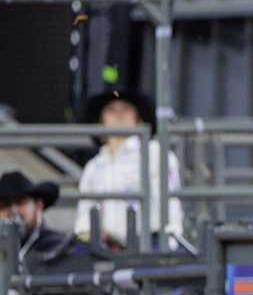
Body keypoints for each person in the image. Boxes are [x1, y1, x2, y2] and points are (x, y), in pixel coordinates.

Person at [75, 88, 185, 250]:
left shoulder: (155, 153)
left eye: (126, 109)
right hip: (106, 248)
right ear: (101, 120)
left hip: (149, 244)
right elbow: (84, 216)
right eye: (111, 110)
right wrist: (88, 234)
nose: (119, 115)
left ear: (138, 119)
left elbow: (170, 206)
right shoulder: (94, 166)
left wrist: (168, 245)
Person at [0, 170, 87, 271]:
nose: (13, 211)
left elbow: (82, 252)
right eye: (5, 205)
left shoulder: (58, 243)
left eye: (20, 202)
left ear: (38, 205)